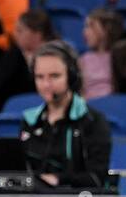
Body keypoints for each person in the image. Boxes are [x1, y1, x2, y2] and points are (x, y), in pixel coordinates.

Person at [18, 40, 111, 189]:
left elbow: (96, 178)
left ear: (72, 76)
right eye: (40, 77)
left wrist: (57, 179)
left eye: (54, 76)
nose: (46, 84)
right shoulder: (29, 121)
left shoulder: (92, 121)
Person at [0, 8, 56, 108]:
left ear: (37, 35)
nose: (15, 34)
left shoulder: (55, 57)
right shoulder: (14, 54)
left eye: (20, 30)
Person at [79, 7, 122, 100]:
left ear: (106, 30)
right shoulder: (84, 59)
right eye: (85, 26)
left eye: (91, 26)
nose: (85, 31)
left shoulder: (118, 57)